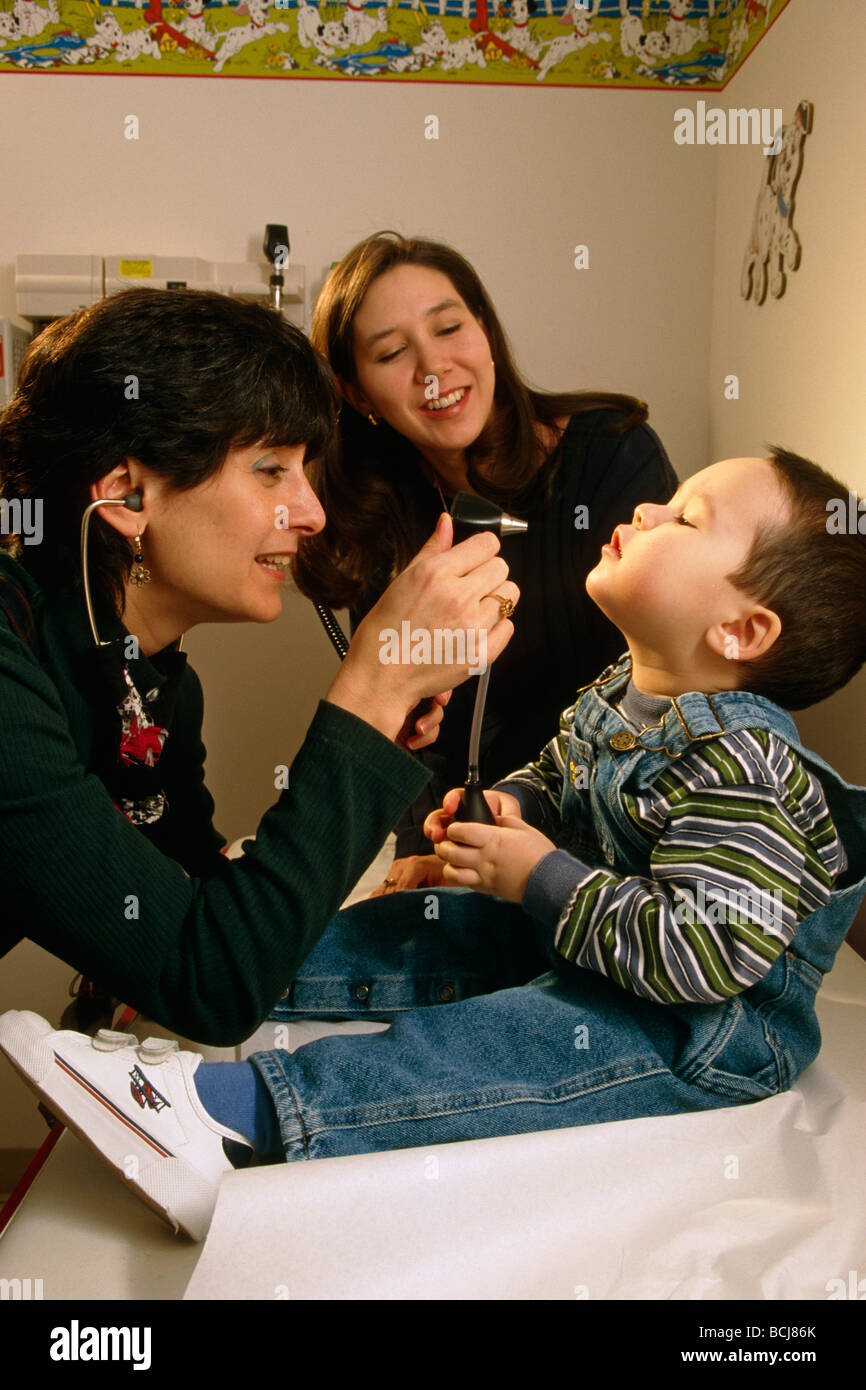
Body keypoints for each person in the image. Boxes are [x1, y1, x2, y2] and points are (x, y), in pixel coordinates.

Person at [5, 446, 865, 1241]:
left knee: (518, 1034)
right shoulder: (627, 693)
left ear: (742, 632)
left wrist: (543, 876)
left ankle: (232, 1114)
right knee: (429, 921)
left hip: (701, 1025)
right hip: (598, 940)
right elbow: (562, 777)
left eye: (685, 518)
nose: (645, 508)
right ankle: (203, 986)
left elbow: (703, 955)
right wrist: (507, 808)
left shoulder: (747, 768)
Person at [0, 287, 519, 1044]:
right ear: (126, 495)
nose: (310, 513)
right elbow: (210, 982)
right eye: (271, 468)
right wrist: (368, 692)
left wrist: (378, 737)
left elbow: (219, 917)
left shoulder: (157, 686)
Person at [292, 231, 678, 894]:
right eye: (391, 352)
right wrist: (427, 847)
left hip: (626, 826)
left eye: (448, 328)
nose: (433, 367)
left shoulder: (613, 456)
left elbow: (674, 677)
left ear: (487, 332)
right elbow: (416, 728)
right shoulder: (381, 518)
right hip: (471, 835)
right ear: (357, 395)